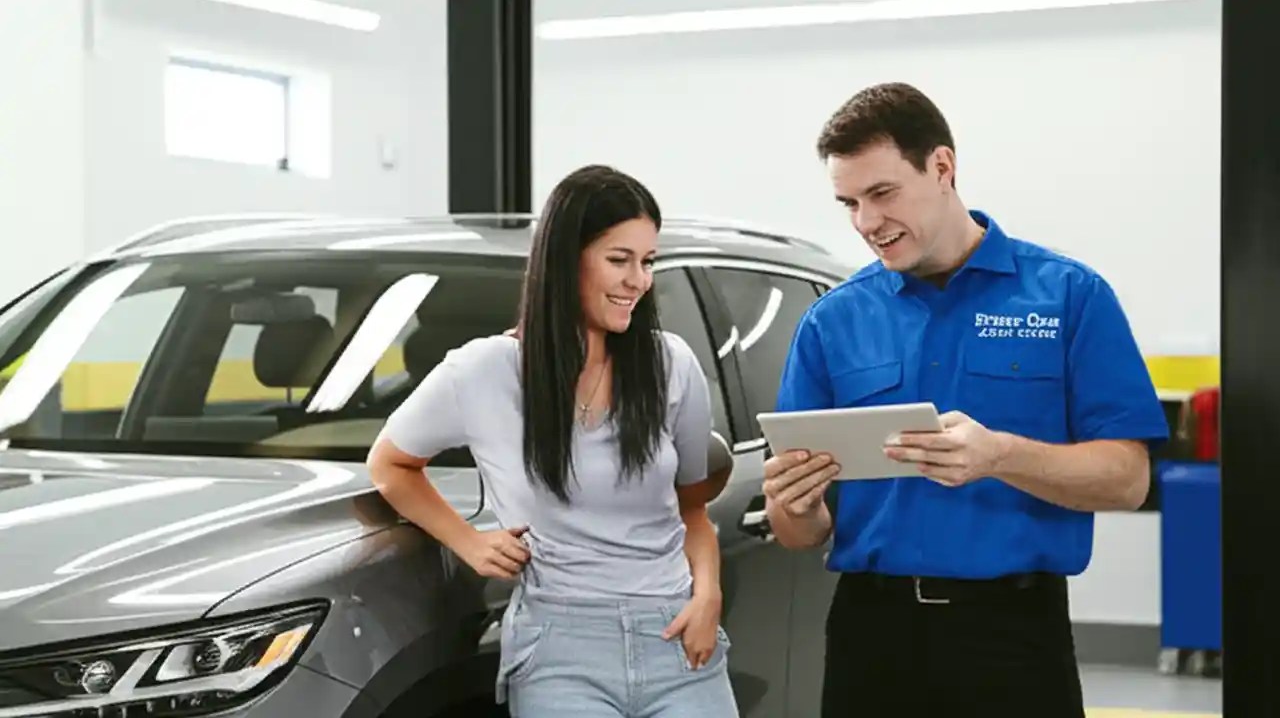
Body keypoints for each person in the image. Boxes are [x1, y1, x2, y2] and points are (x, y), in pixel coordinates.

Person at [761, 82, 1169, 717]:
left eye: (882, 193)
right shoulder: (832, 321)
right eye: (849, 203)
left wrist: (1001, 455)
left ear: (943, 168)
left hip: (1012, 635)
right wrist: (794, 506)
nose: (867, 223)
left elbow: (1128, 481)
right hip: (872, 636)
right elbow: (800, 532)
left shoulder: (1069, 297)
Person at [366, 164, 739, 717]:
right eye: (620, 260)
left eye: (648, 262)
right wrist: (468, 542)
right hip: (560, 646)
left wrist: (707, 595)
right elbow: (391, 464)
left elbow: (693, 513)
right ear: (567, 260)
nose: (639, 280)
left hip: (676, 636)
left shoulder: (671, 365)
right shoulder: (483, 371)